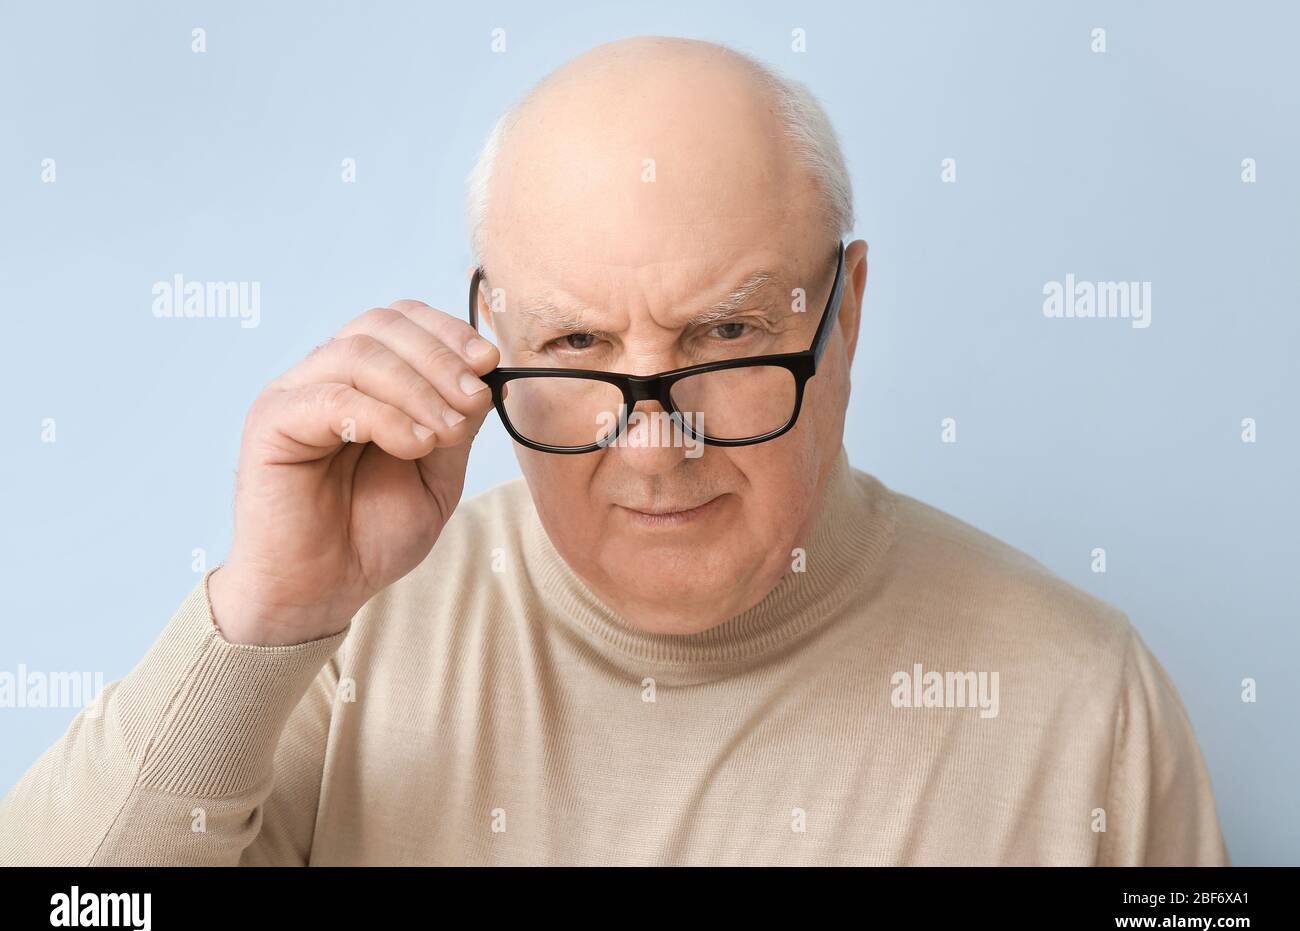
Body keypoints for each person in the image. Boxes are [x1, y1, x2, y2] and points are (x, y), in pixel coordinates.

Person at [0, 36, 1229, 865]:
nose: (653, 443)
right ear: (490, 333)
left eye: (727, 330)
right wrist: (265, 615)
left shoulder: (1087, 702)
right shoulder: (352, 633)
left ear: (842, 316)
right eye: (576, 340)